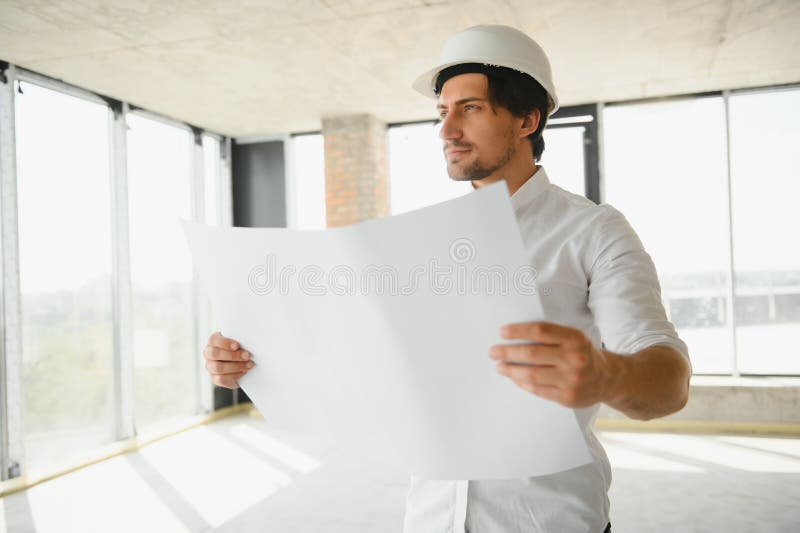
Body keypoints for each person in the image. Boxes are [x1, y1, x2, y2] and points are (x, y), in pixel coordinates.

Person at [203, 24, 691, 533]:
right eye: (442, 112)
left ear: (527, 119)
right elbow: (359, 360)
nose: (447, 130)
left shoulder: (593, 231)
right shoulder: (423, 241)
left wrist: (606, 375)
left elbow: (670, 383)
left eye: (470, 109)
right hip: (430, 518)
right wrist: (252, 360)